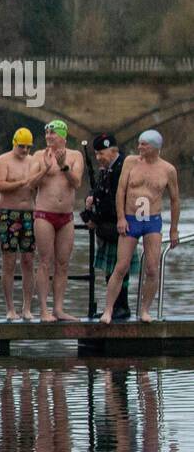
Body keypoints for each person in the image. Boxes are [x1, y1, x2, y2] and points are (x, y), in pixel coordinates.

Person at [101, 130, 180, 324]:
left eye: (144, 144)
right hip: (131, 219)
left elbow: (175, 200)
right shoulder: (130, 162)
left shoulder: (168, 170)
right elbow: (120, 191)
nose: (139, 148)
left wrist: (173, 229)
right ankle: (108, 310)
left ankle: (144, 310)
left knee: (152, 268)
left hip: (152, 221)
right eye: (139, 143)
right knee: (121, 266)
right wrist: (121, 218)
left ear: (155, 147)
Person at [32, 120, 83, 322]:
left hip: (66, 216)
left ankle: (58, 308)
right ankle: (44, 309)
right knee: (45, 262)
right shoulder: (38, 155)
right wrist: (44, 169)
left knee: (63, 264)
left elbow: (77, 182)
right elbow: (30, 184)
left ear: (63, 135)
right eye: (47, 133)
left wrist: (63, 166)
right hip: (45, 213)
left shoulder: (75, 155)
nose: (49, 137)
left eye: (53, 133)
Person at [86, 133, 135, 320]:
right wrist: (90, 198)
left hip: (119, 225)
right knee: (111, 269)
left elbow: (116, 199)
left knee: (119, 268)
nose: (98, 158)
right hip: (107, 226)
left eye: (101, 153)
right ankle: (114, 307)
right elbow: (100, 191)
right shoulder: (107, 168)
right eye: (96, 154)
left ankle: (122, 307)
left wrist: (96, 218)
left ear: (113, 150)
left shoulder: (123, 167)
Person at [0, 128, 38, 320]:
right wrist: (20, 183)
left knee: (28, 261)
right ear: (14, 143)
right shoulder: (3, 160)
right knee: (8, 262)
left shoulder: (33, 161)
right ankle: (10, 308)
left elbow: (37, 184)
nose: (25, 150)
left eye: (28, 147)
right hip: (8, 213)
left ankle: (27, 307)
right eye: (21, 146)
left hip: (29, 213)